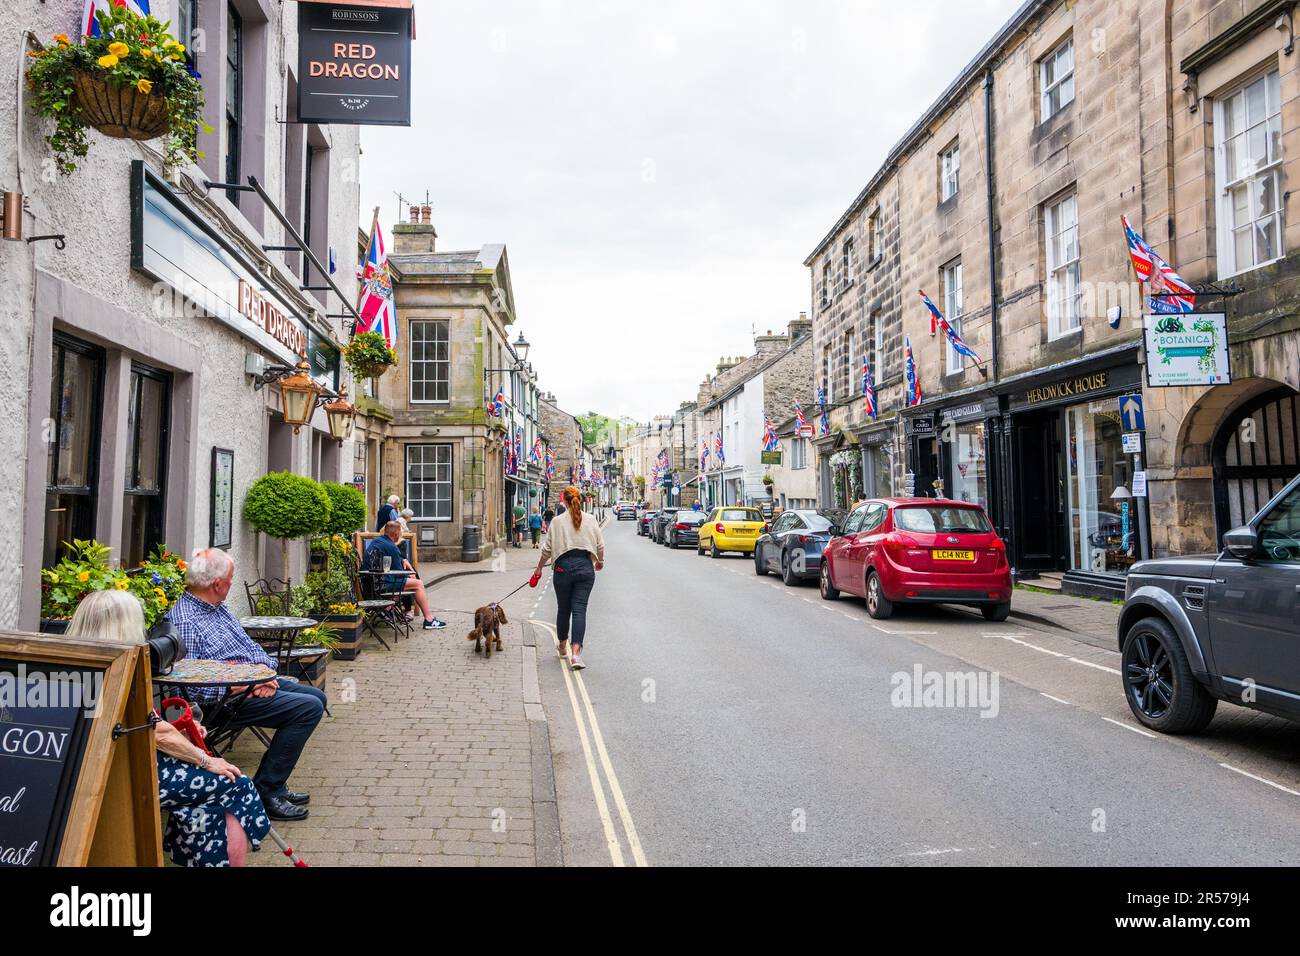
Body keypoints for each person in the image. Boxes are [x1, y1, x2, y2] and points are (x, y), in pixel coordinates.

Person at [68, 590, 271, 866]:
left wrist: (181, 732)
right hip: (126, 773)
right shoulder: (119, 671)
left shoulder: (72, 666)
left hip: (104, 765)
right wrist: (206, 759)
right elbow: (156, 733)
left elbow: (151, 724)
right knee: (234, 784)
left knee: (203, 802)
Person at [166, 549, 326, 822]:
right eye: (230, 579)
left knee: (316, 697)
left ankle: (271, 783)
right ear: (216, 584)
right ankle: (268, 791)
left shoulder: (218, 609)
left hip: (250, 685)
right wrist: (245, 685)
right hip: (222, 704)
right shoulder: (186, 621)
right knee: (308, 708)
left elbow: (252, 649)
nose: (231, 582)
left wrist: (263, 674)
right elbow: (190, 686)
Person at [530, 484, 605, 670]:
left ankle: (563, 647)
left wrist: (539, 569)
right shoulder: (591, 519)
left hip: (563, 569)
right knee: (579, 610)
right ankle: (576, 655)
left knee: (564, 609)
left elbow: (547, 550)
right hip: (585, 568)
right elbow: (600, 546)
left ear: (563, 500)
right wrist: (599, 562)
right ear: (579, 499)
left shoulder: (556, 521)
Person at [365, 521, 445, 629]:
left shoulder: (377, 541)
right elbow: (400, 574)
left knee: (410, 583)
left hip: (369, 584)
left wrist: (403, 560)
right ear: (397, 534)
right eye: (401, 532)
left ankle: (389, 607)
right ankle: (429, 619)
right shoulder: (392, 547)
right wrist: (412, 573)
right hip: (379, 586)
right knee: (418, 584)